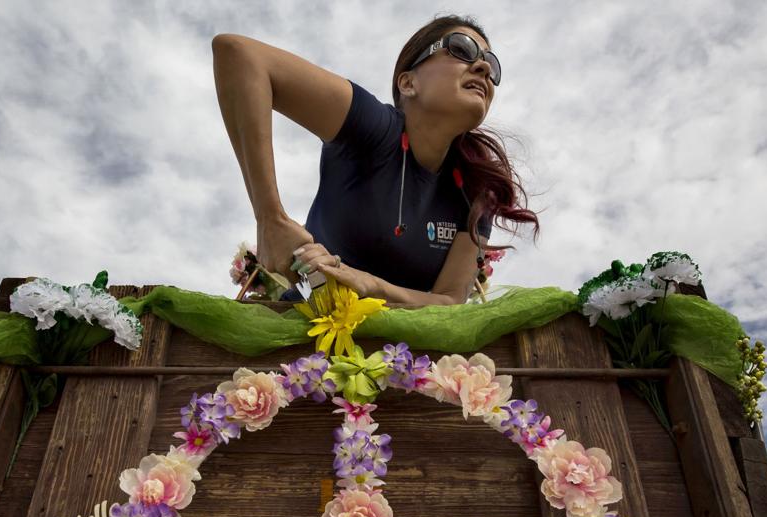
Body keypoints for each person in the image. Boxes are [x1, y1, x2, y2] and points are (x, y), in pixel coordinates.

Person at [212, 16, 539, 306]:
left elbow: (449, 300)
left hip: (409, 364)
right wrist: (270, 218)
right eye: (463, 49)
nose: (483, 68)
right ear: (408, 83)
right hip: (302, 344)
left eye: (491, 64)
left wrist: (367, 285)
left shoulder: (476, 191)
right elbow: (239, 54)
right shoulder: (375, 128)